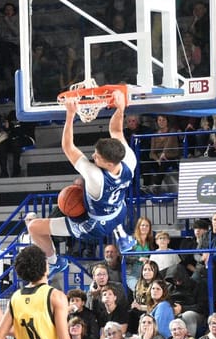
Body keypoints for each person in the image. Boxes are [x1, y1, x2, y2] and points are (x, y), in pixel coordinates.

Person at [26, 88, 137, 277]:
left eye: (97, 157)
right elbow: (116, 130)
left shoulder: (96, 176)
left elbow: (68, 147)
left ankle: (54, 262)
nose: (93, 156)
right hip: (120, 212)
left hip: (93, 225)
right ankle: (122, 236)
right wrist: (120, 109)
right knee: (99, 195)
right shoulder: (129, 160)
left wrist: (70, 115)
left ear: (109, 163)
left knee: (34, 227)